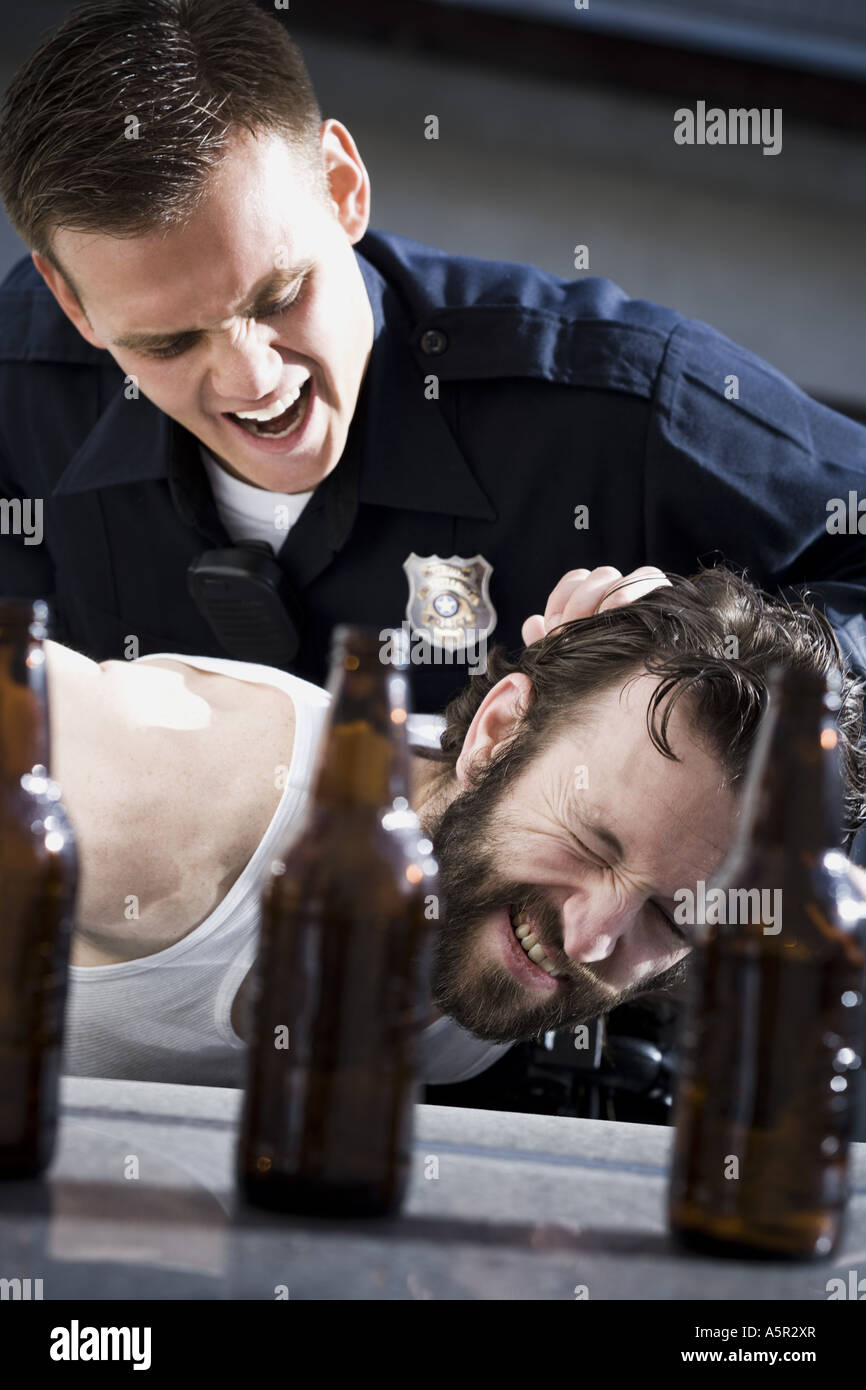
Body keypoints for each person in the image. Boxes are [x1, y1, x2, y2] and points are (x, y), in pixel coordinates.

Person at [1, 0, 866, 717]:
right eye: (168, 342)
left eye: (279, 297)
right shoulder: (16, 386)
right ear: (71, 301)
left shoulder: (621, 397)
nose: (253, 380)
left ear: (343, 188)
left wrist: (718, 662)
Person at [46, 566, 866, 1088]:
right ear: (499, 732)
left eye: (669, 915)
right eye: (591, 845)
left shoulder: (560, 906)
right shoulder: (149, 788)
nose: (589, 942)